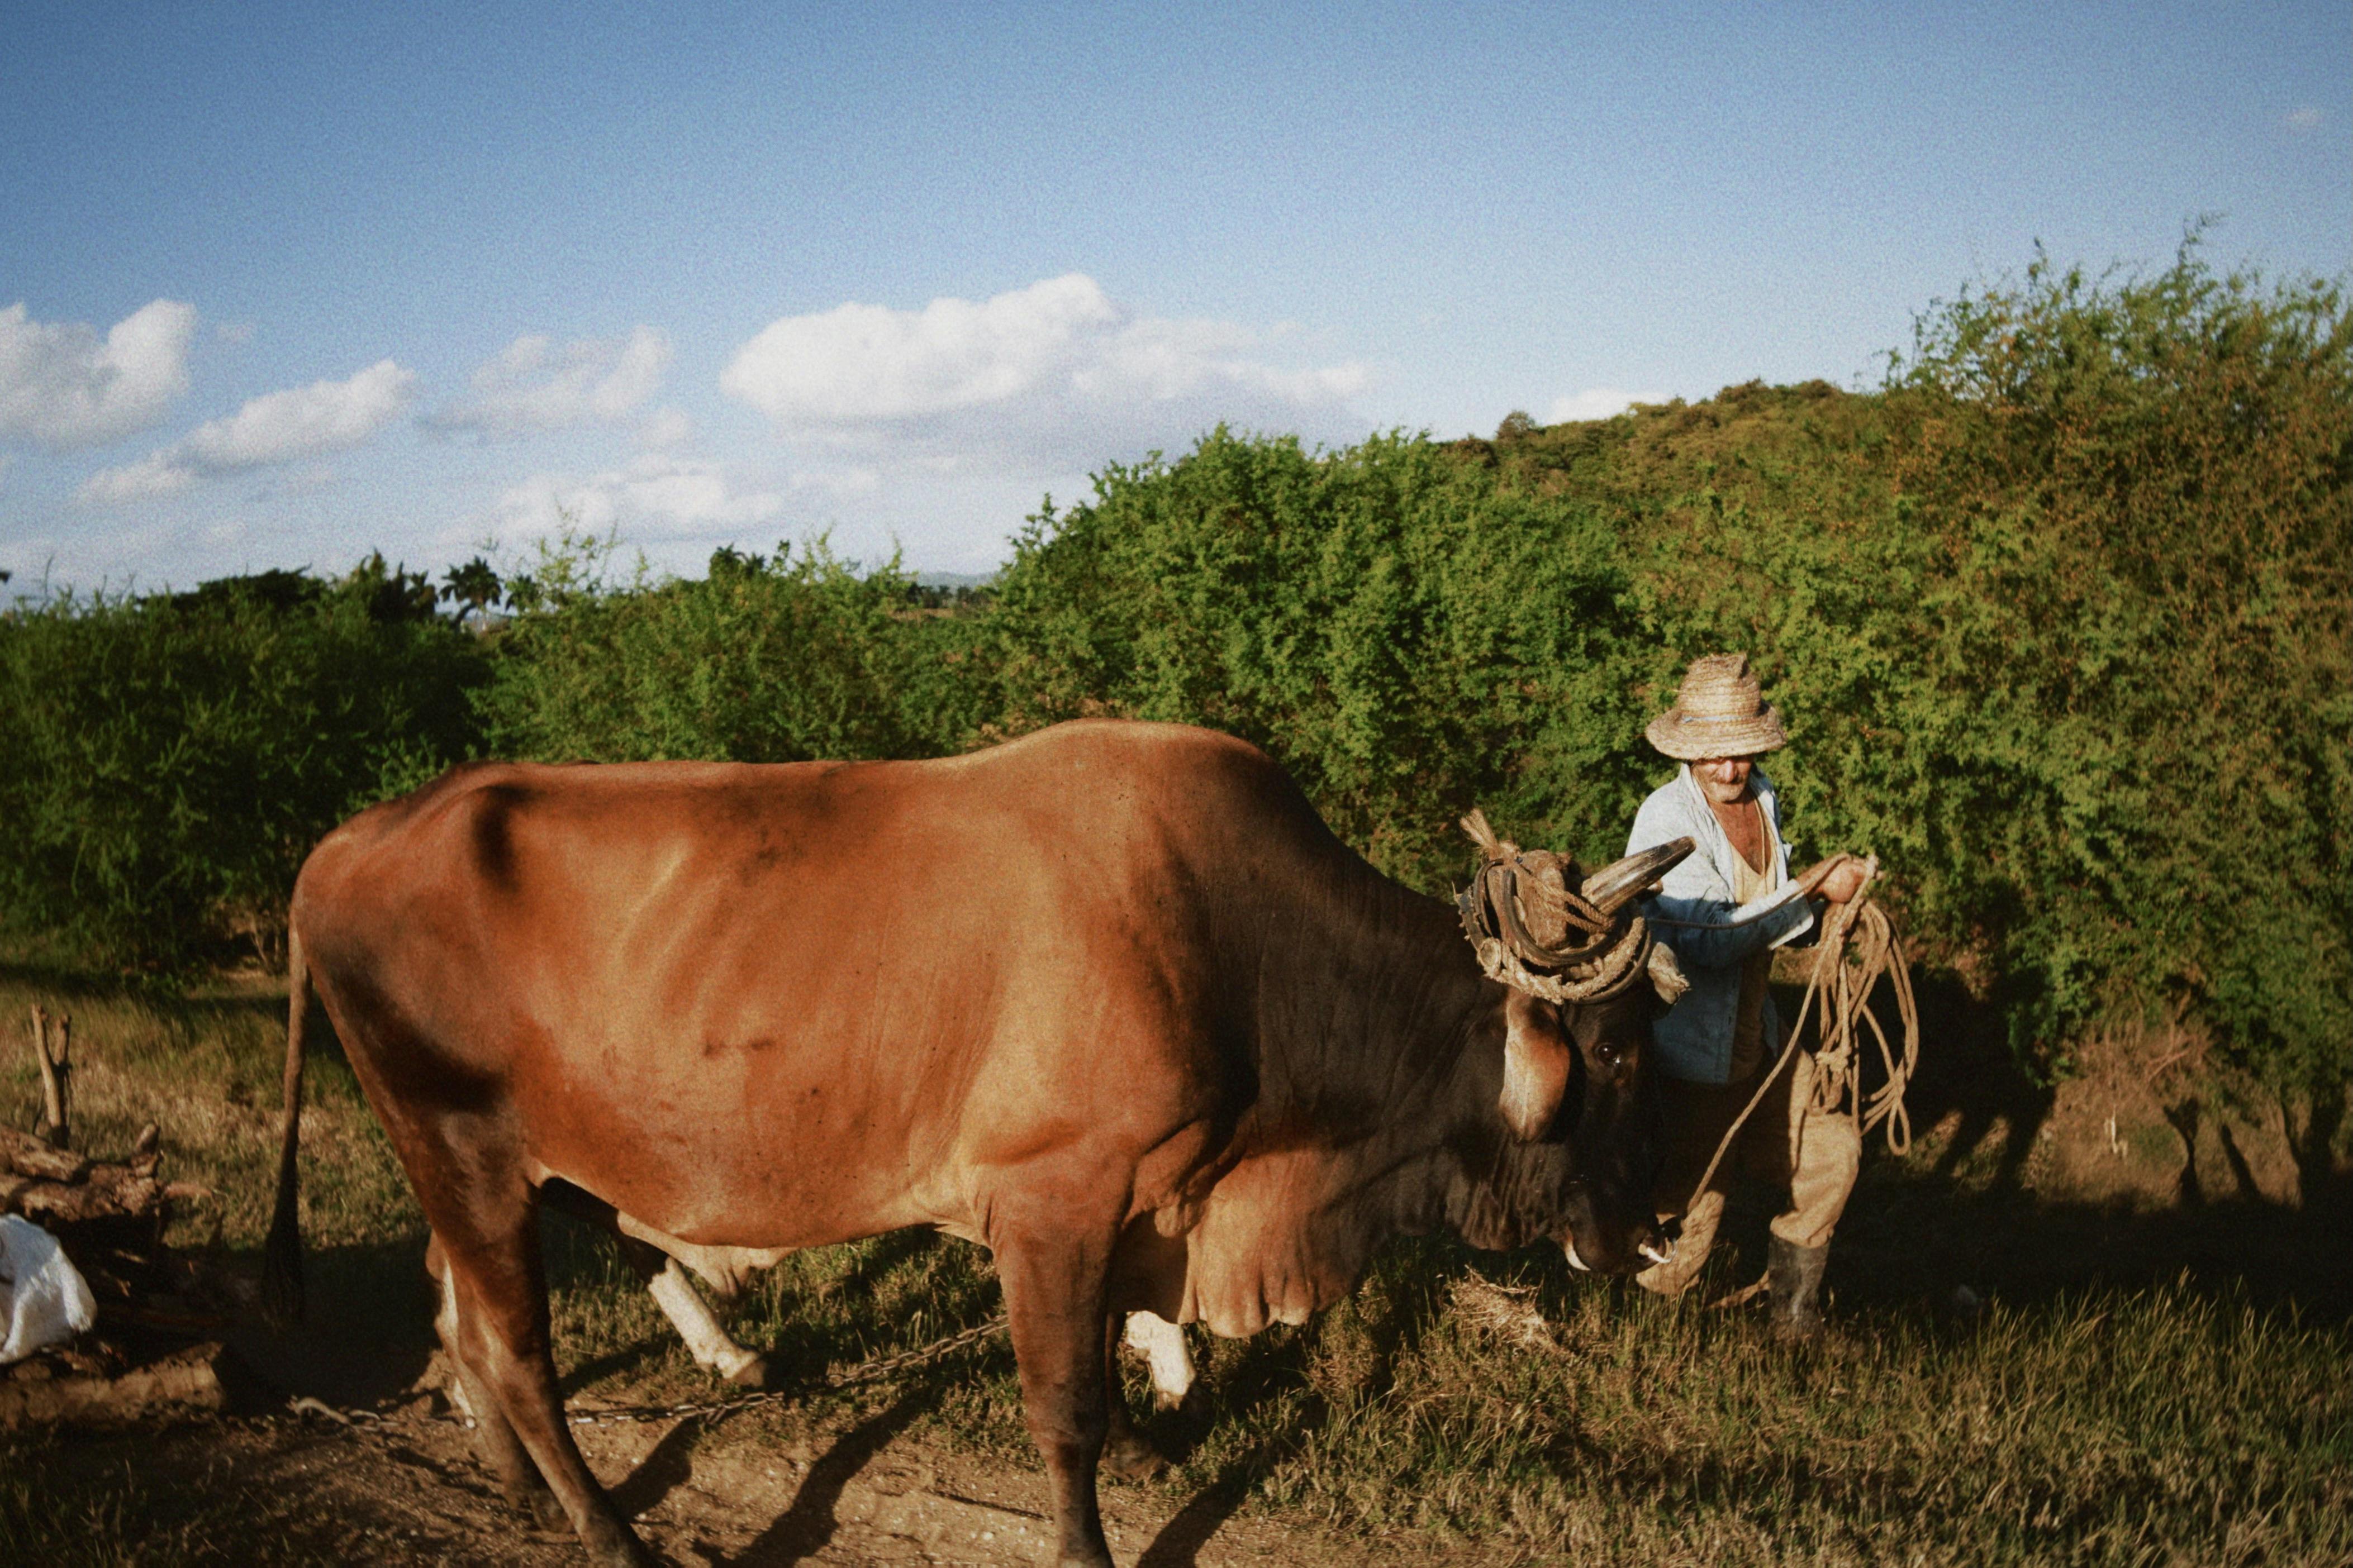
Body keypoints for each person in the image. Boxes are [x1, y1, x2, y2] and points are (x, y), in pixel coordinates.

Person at [1625, 652, 1867, 1338]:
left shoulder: (1761, 797)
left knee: (1830, 1151)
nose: (1730, 769)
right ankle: (1646, 1341)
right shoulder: (1663, 820)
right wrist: (1812, 890)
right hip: (1686, 1047)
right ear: (1689, 752)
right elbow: (1708, 940)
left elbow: (1774, 916)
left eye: (1741, 753)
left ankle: (1792, 1321)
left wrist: (1829, 917)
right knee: (1689, 1212)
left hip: (1758, 1036)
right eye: (1715, 757)